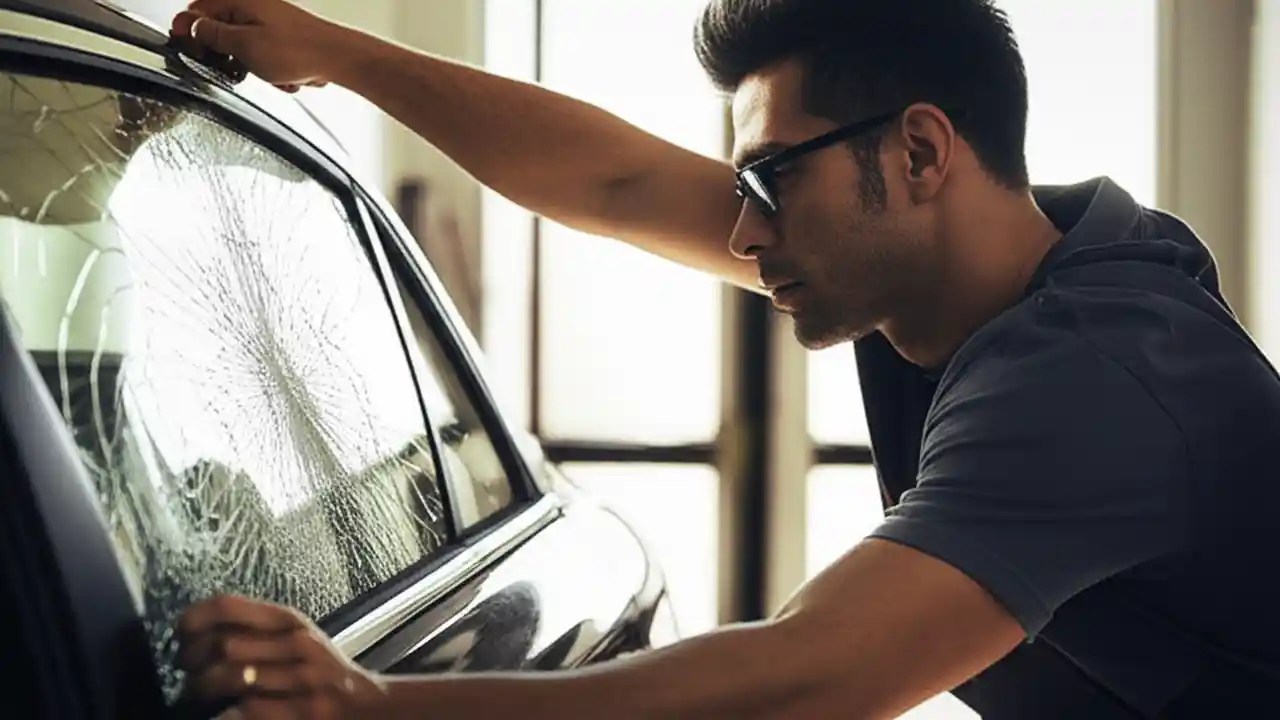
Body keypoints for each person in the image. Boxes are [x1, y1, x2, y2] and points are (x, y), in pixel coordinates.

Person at [168, 0, 1280, 717]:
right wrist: (340, 55)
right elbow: (616, 185)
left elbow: (811, 674)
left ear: (921, 149)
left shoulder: (1090, 376)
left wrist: (370, 707)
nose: (742, 237)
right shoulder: (966, 273)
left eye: (769, 183)